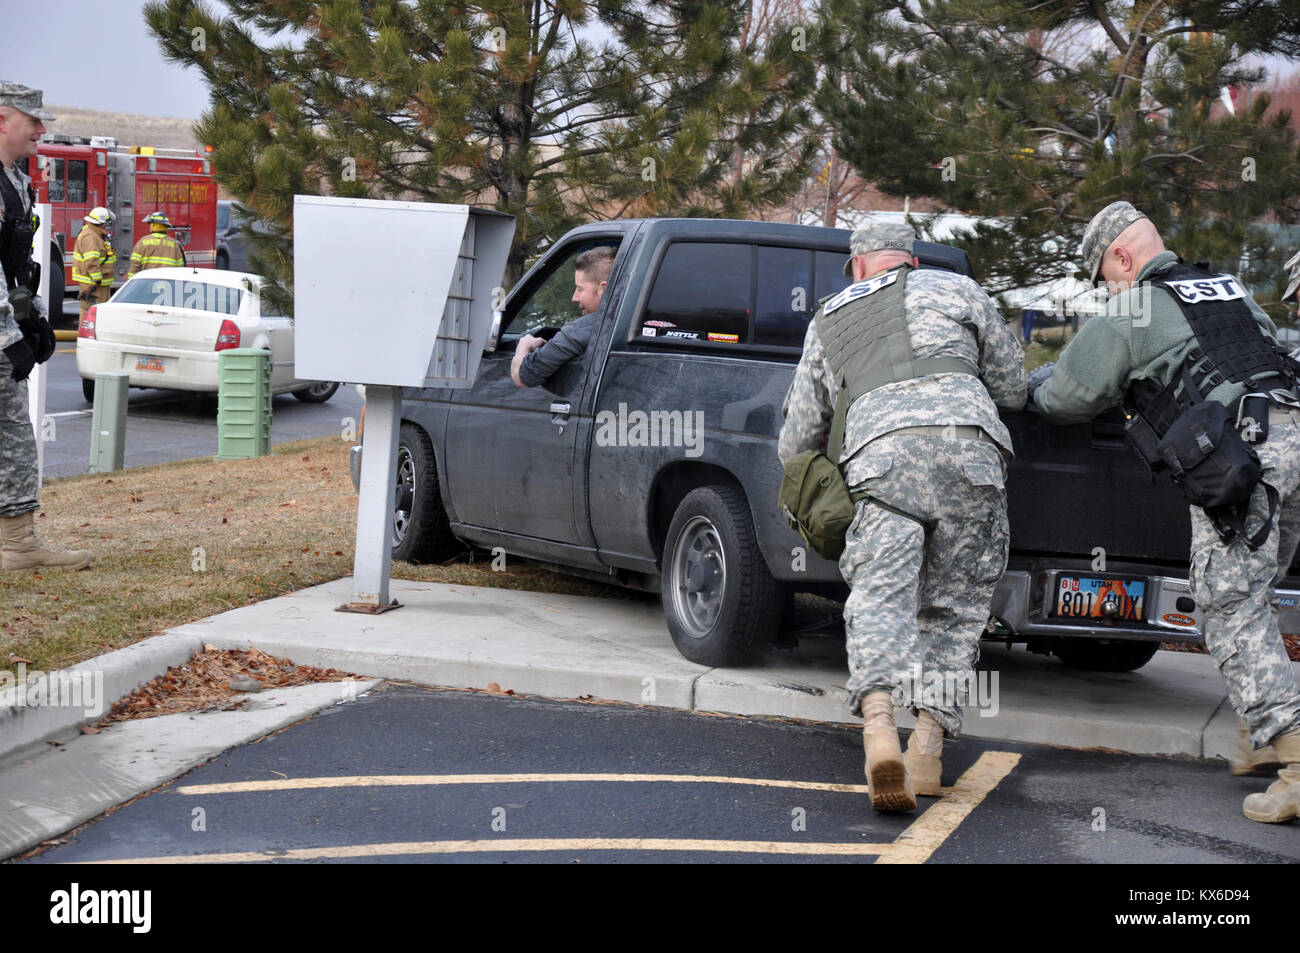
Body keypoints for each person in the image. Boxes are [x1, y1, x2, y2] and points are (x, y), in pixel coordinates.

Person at [1030, 201, 1300, 823]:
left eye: (1104, 278)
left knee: (1227, 604)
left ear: (1122, 258)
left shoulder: (1132, 306)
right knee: (1253, 597)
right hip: (1289, 428)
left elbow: (1069, 396)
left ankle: (1293, 760)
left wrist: (1030, 386)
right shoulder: (1227, 287)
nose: (1106, 292)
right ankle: (1261, 738)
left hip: (1245, 456)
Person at [778, 220, 1027, 812]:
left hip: (881, 461)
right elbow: (1013, 388)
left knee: (880, 599)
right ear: (911, 262)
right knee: (955, 607)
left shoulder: (831, 314)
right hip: (973, 454)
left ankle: (880, 730)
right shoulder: (962, 290)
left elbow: (797, 439)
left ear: (860, 266)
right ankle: (928, 753)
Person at [0, 83, 91, 571]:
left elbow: (17, 266)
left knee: (10, 436)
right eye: (32, 120)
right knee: (13, 437)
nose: (41, 129)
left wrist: (34, 316)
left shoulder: (15, 180)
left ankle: (17, 542)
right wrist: (7, 337)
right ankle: (18, 546)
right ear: (2, 121)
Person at [511, 245, 615, 389]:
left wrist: (524, 345)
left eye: (580, 289)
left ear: (603, 289)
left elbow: (522, 377)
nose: (574, 297)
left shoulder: (580, 332)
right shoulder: (637, 323)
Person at [73, 205, 115, 318]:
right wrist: (96, 279)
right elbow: (91, 260)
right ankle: (87, 336)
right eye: (106, 223)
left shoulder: (96, 234)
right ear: (101, 223)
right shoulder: (90, 237)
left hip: (98, 283)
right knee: (90, 314)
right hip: (93, 284)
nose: (107, 226)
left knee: (98, 313)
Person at [126, 211, 185, 277]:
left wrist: (131, 282)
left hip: (148, 283)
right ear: (165, 226)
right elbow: (180, 268)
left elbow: (135, 265)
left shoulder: (142, 242)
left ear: (153, 225)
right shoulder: (175, 245)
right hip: (167, 284)